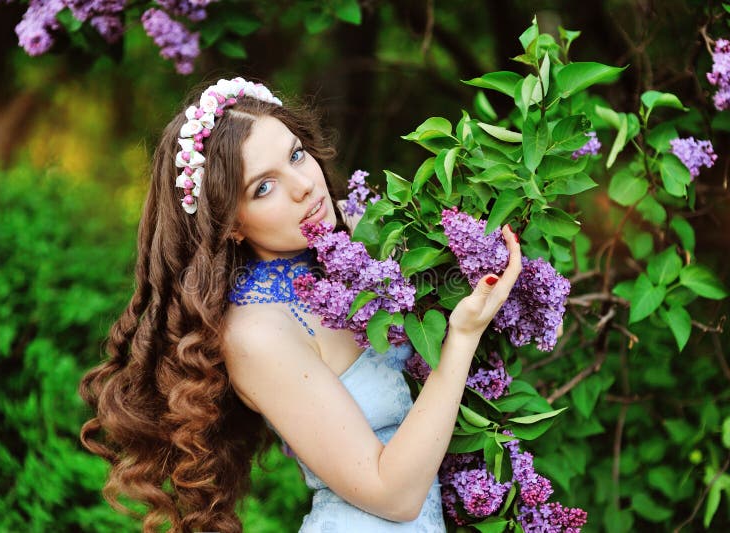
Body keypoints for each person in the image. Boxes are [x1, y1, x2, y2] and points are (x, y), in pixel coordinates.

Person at [79, 77, 522, 533]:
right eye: (263, 188)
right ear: (229, 224)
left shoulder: (358, 237)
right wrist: (464, 336)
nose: (304, 187)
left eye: (295, 155)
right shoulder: (257, 333)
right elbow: (395, 495)